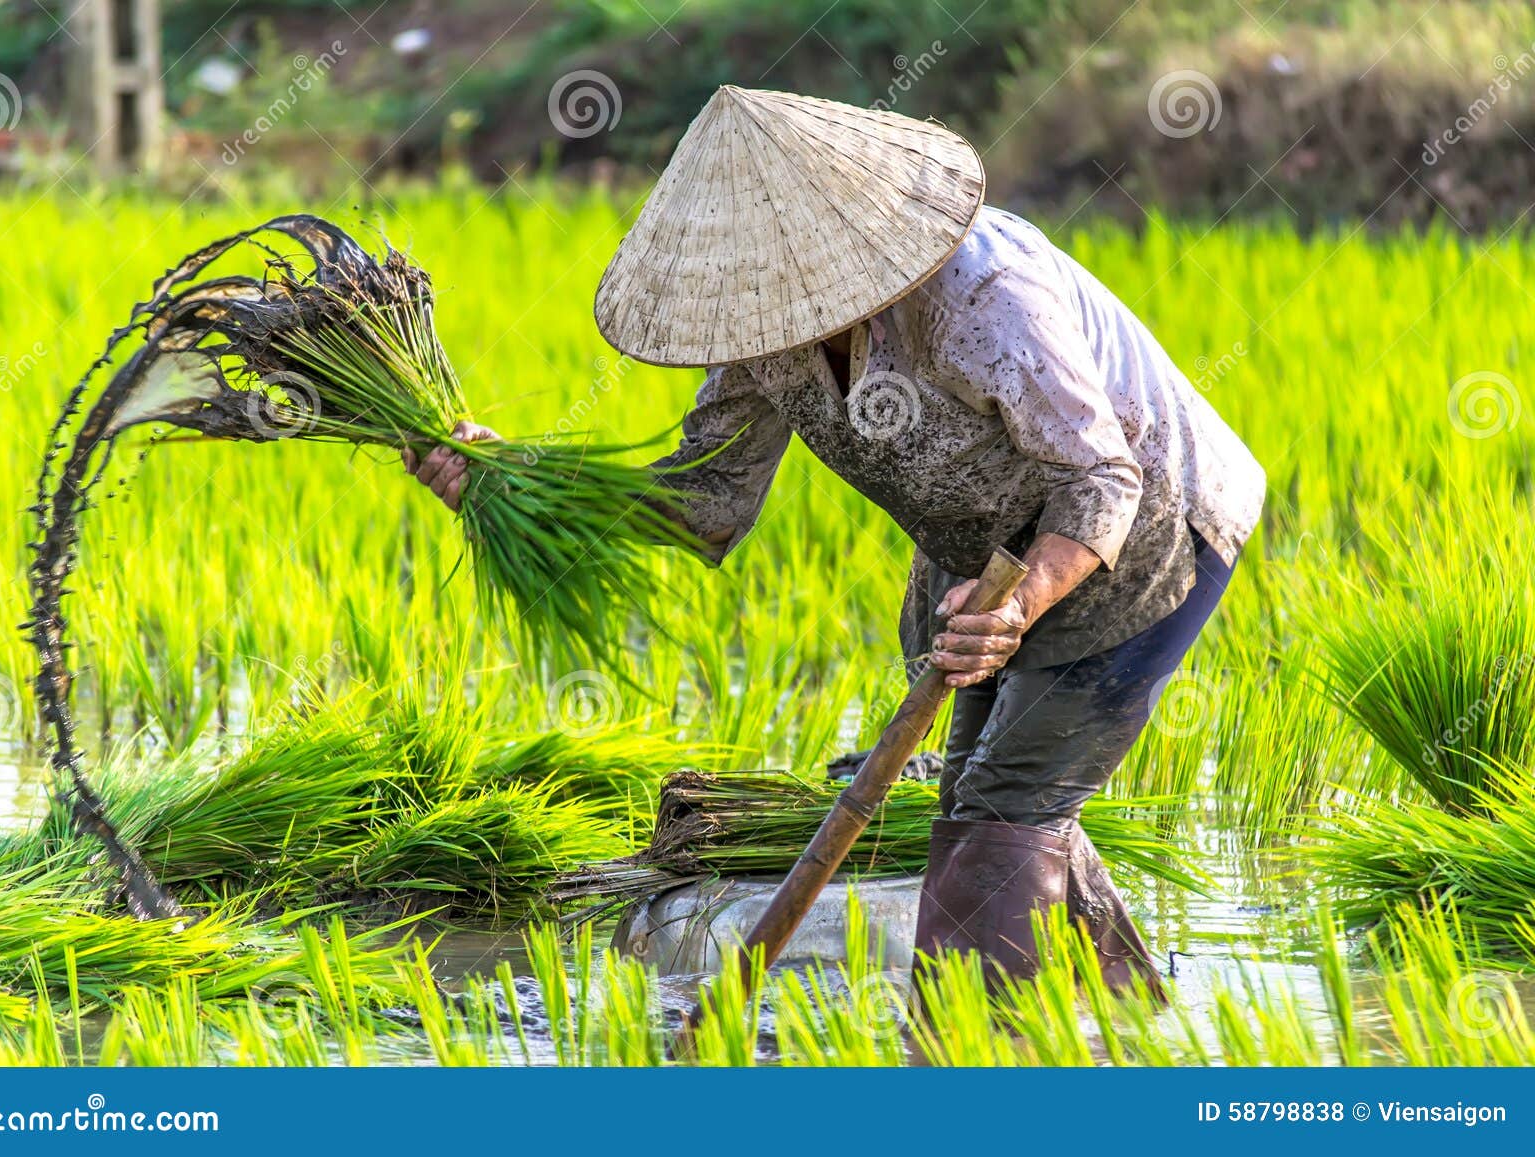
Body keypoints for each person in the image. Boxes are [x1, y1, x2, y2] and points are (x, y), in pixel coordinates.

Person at [407, 87, 1265, 995]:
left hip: (1149, 529)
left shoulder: (982, 294)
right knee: (986, 799)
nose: (769, 308)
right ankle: (1120, 1009)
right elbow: (704, 498)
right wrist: (518, 478)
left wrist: (1019, 603)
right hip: (976, 555)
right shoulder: (760, 332)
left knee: (1003, 806)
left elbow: (1101, 478)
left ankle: (974, 1059)